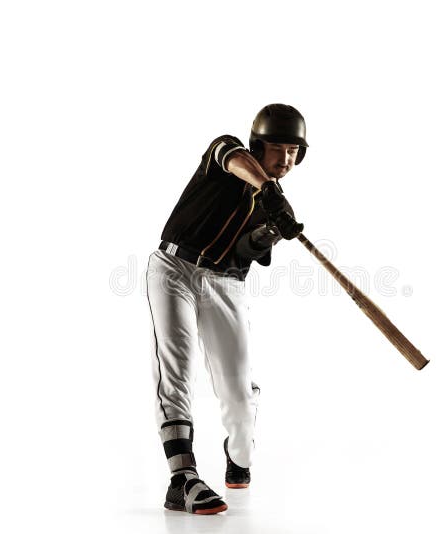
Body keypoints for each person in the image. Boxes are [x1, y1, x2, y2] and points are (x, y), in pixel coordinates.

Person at [144, 104, 308, 514]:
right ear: (258, 145)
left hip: (225, 281)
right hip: (173, 267)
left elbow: (244, 251)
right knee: (177, 365)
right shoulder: (228, 154)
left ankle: (239, 454)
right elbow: (231, 158)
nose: (284, 159)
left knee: (237, 391)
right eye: (277, 149)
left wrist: (272, 228)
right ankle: (182, 478)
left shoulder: (276, 204)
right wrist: (267, 190)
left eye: (293, 151)